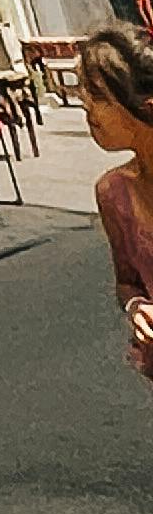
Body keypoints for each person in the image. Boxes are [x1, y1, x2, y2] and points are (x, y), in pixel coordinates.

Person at [79, 19, 153, 385]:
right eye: (84, 97)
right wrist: (138, 308)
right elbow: (128, 281)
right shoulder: (113, 193)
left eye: (99, 97)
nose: (88, 111)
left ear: (145, 105)